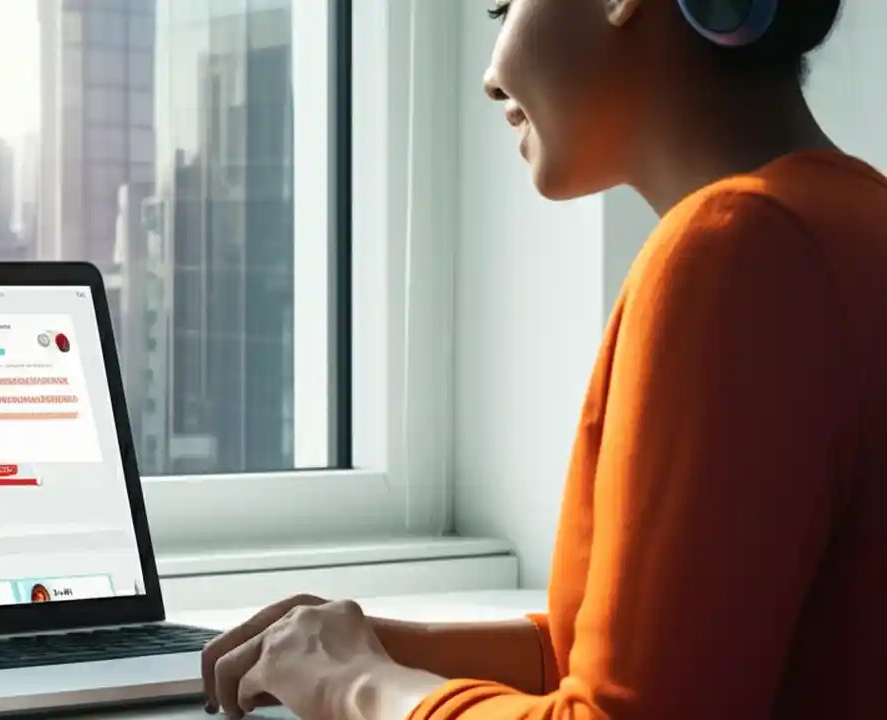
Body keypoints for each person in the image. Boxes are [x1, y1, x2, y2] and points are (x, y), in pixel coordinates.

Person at [202, 1, 886, 718]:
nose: (491, 79)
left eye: (502, 6)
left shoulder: (736, 250)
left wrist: (356, 686)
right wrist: (384, 648)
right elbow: (682, 661)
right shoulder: (852, 223)